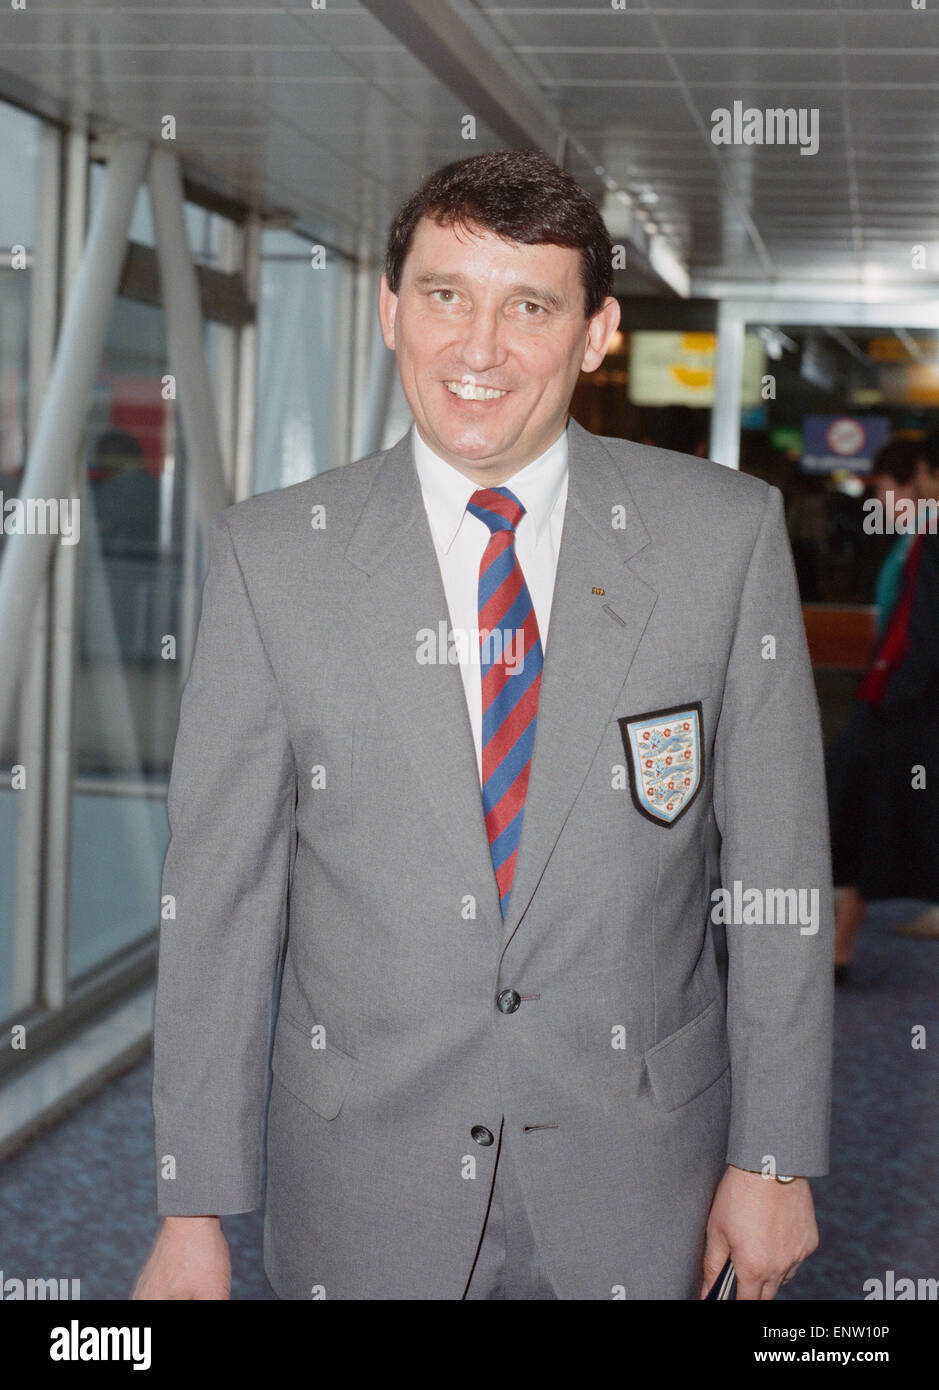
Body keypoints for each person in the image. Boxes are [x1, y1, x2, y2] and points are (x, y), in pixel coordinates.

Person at [133, 150, 832, 1302]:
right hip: (364, 1184)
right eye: (446, 294)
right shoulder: (274, 557)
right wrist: (191, 1207)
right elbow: (218, 905)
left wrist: (774, 1155)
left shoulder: (723, 539)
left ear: (597, 332)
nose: (478, 348)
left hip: (643, 1176)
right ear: (390, 310)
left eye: (530, 306)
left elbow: (781, 878)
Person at [829, 433, 939, 975]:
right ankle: (836, 947)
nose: (877, 504)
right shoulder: (909, 543)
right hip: (891, 697)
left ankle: (836, 948)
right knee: (861, 812)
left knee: (861, 809)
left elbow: (916, 634)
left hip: (899, 702)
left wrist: (890, 697)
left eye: (885, 490)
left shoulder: (926, 541)